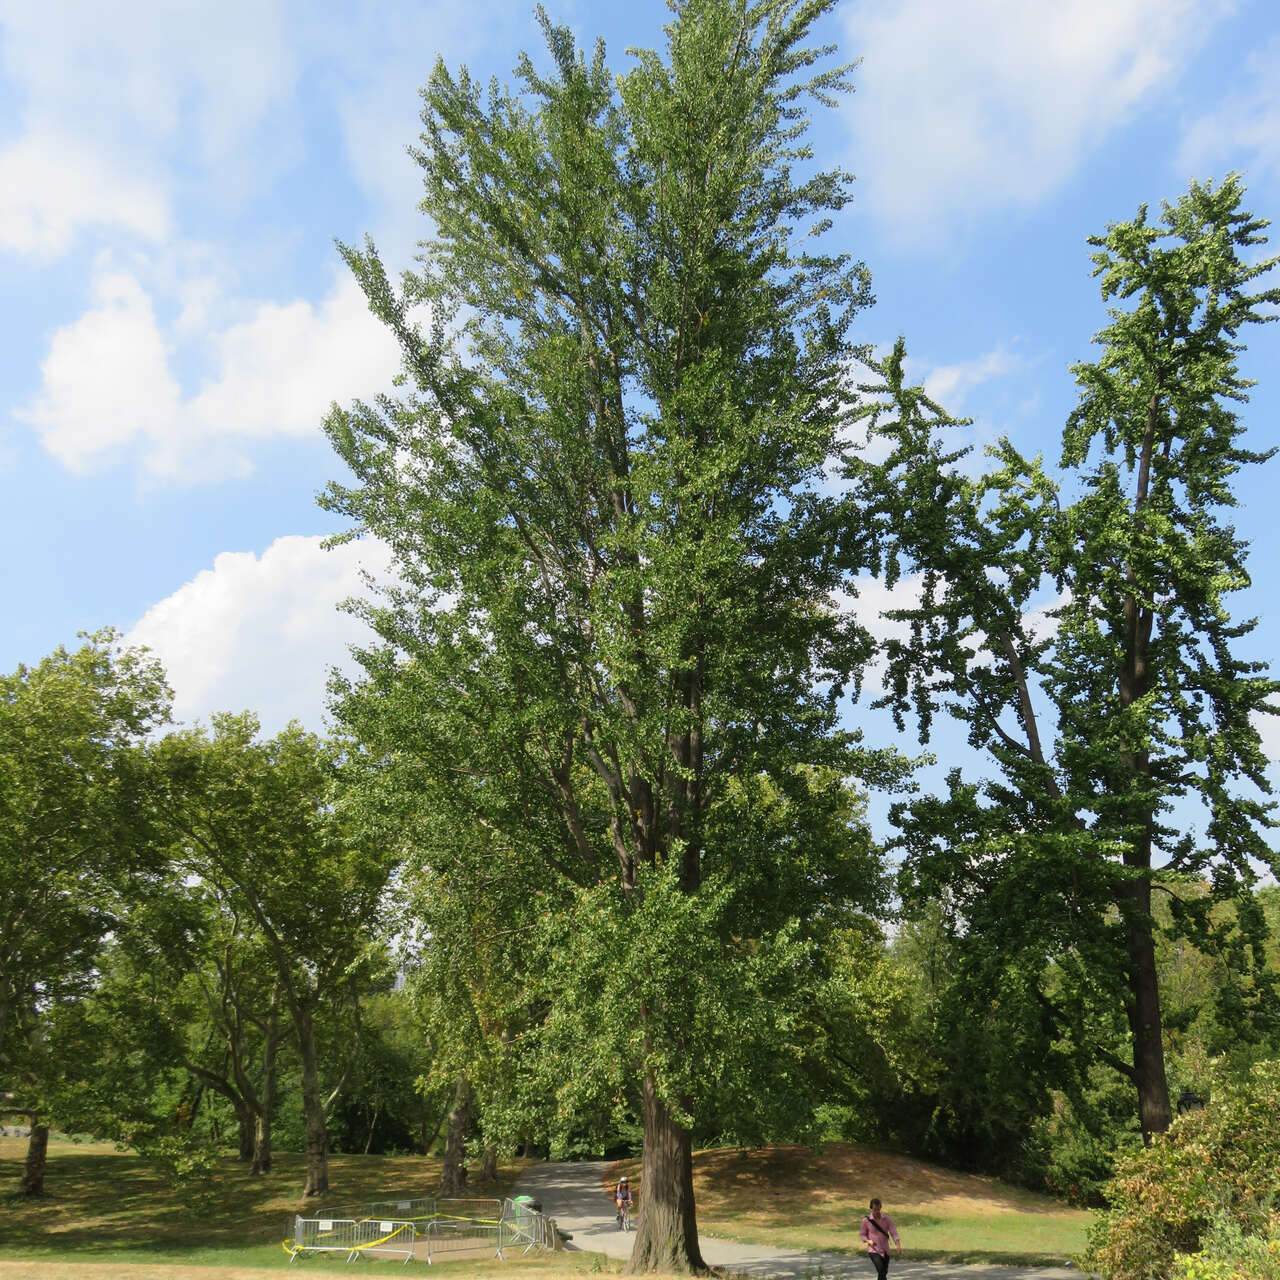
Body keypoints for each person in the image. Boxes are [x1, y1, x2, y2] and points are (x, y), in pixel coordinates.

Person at [859, 1198, 901, 1278]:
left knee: (883, 1274)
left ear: (880, 1208)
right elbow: (862, 1234)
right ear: (871, 1208)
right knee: (881, 1271)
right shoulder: (866, 1220)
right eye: (875, 1209)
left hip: (885, 1250)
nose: (877, 1212)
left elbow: (894, 1232)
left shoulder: (886, 1219)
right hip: (873, 1250)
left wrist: (898, 1245)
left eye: (878, 1209)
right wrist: (868, 1241)